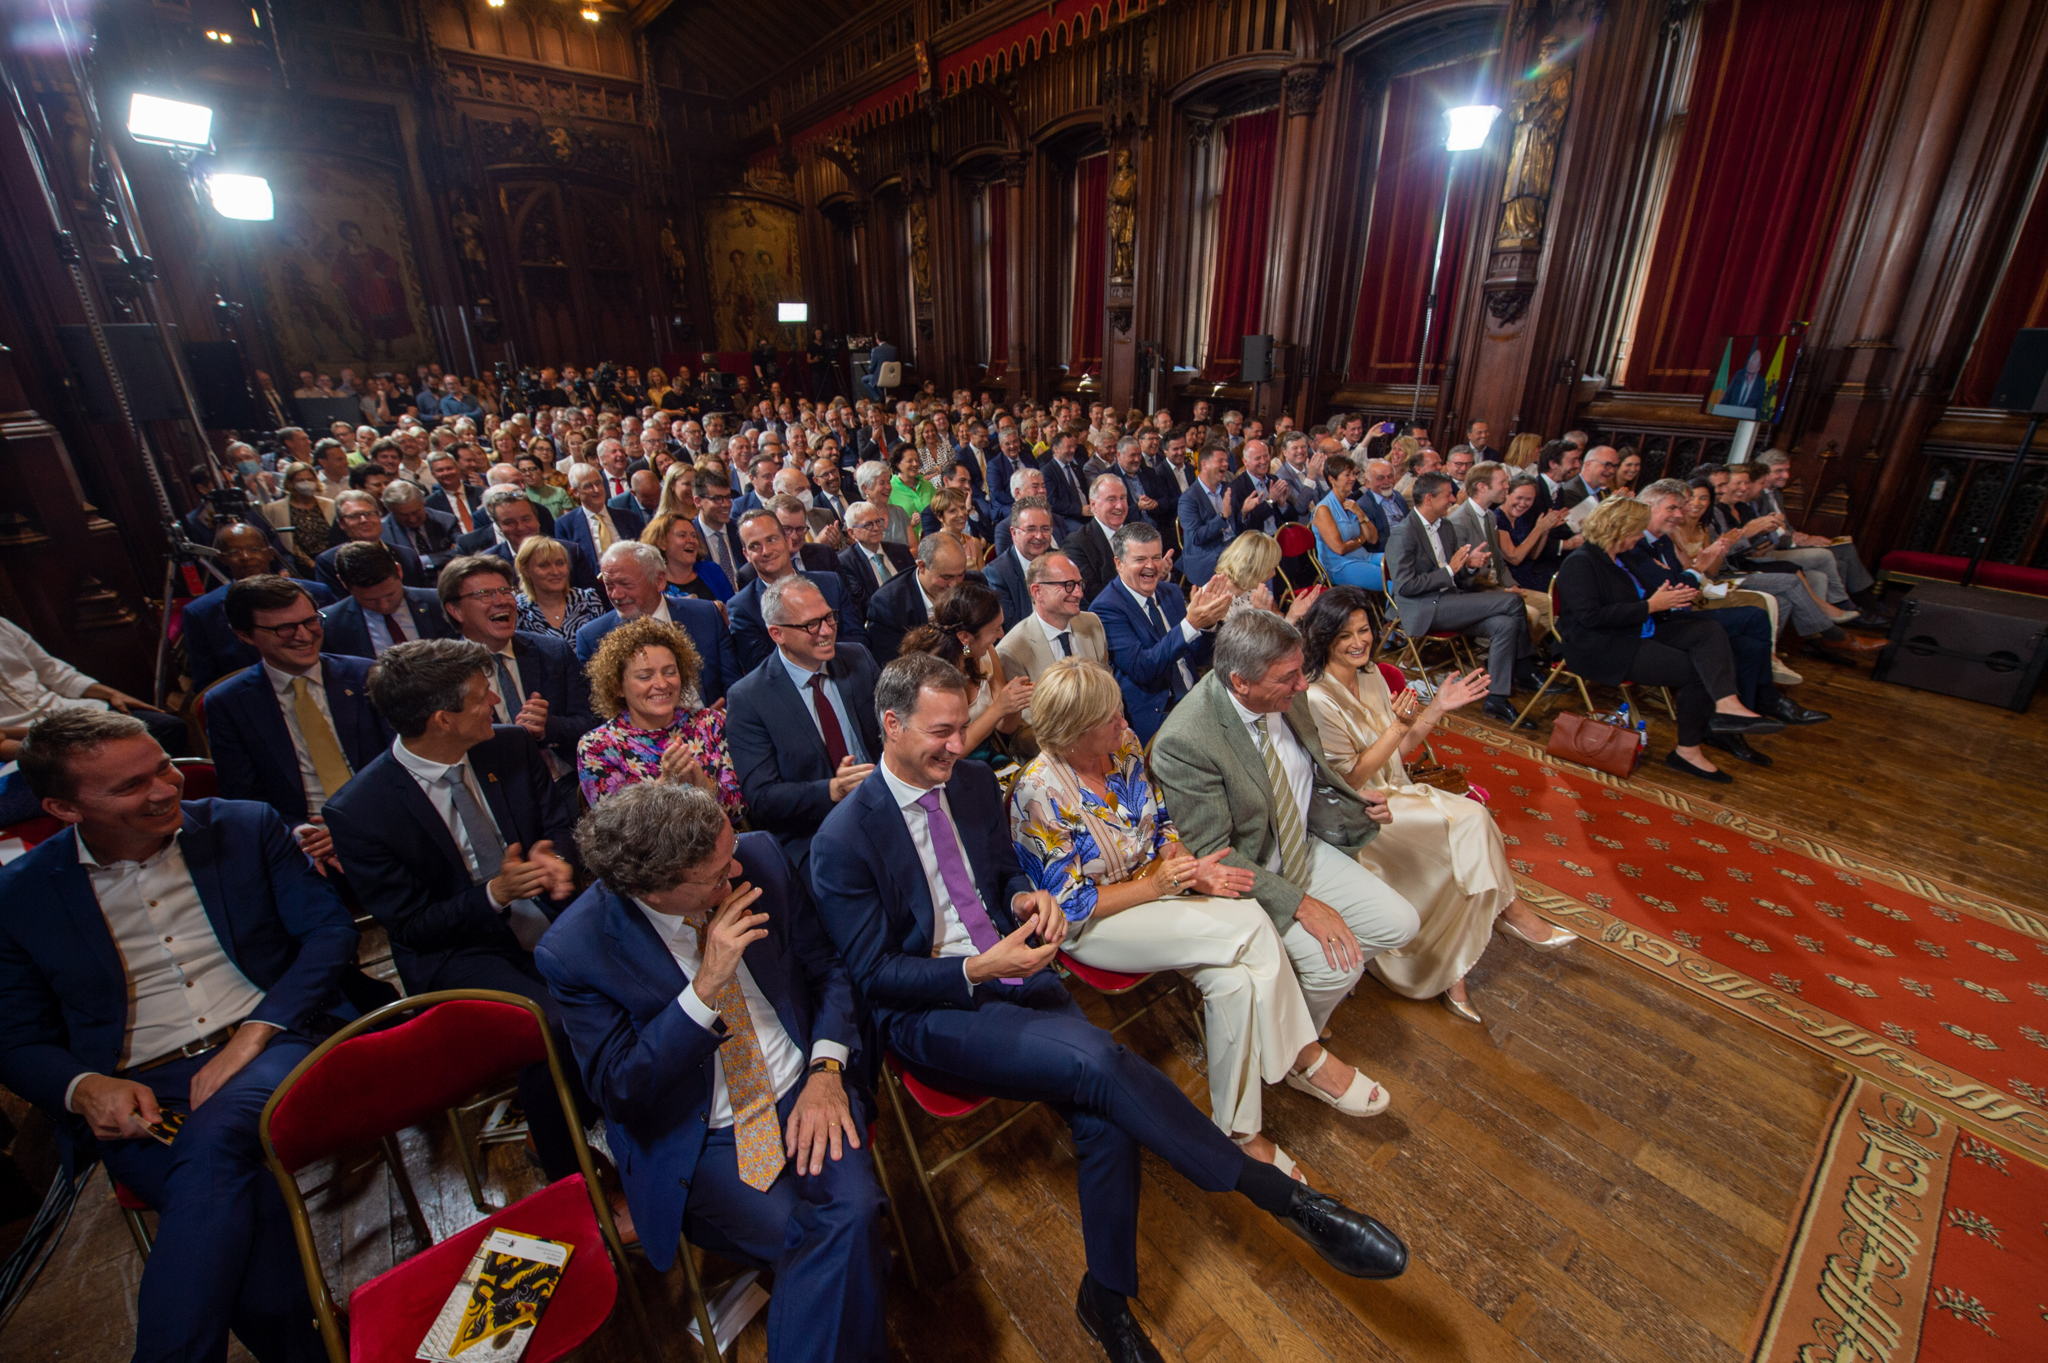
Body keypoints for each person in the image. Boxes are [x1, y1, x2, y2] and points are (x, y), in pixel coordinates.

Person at [810, 654, 1408, 1360]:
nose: (957, 742)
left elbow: (1001, 876)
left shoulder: (970, 785)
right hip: (938, 1009)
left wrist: (1023, 901)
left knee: (1102, 1113)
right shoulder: (842, 838)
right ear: (891, 725)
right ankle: (1280, 1197)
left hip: (1018, 968)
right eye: (941, 730)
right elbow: (874, 975)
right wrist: (977, 965)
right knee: (1098, 1059)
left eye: (961, 726)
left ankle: (1107, 1299)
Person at [0, 709, 357, 1363]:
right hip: (140, 1090)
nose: (167, 788)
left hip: (276, 1045)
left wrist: (255, 1033)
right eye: (131, 786)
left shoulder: (245, 825)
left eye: (162, 765)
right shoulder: (19, 893)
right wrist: (85, 1088)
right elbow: (16, 1039)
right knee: (239, 1210)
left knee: (214, 1136)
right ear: (61, 806)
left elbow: (329, 934)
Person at [534, 783, 887, 1363]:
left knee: (852, 1213)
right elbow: (621, 1089)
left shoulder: (762, 857)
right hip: (703, 1131)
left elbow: (829, 971)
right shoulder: (577, 949)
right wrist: (703, 990)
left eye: (732, 855)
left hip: (804, 1081)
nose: (738, 873)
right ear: (653, 888)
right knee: (829, 1234)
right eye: (717, 875)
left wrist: (826, 1071)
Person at [1012, 657, 1378, 1178]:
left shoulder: (1126, 747)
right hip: (1097, 923)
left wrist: (1186, 865)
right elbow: (1070, 905)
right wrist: (1161, 884)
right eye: (1111, 717)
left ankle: (1237, 1132)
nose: (1125, 722)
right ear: (1072, 733)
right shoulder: (1037, 791)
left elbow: (1162, 824)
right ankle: (1305, 1057)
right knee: (1251, 920)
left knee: (1231, 982)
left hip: (1157, 889)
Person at [321, 639, 586, 1179]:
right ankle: (566, 1165)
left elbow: (561, 824)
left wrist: (552, 855)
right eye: (480, 694)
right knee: (551, 1023)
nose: (495, 699)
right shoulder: (360, 810)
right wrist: (495, 894)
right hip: (459, 949)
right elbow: (414, 927)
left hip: (550, 912)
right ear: (443, 718)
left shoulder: (508, 747)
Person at [1149, 603, 1418, 1071]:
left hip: (1301, 849)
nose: (1302, 685)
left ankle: (1291, 1013)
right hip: (1250, 876)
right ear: (1240, 682)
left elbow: (1307, 775)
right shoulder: (1187, 741)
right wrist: (1300, 903)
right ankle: (1292, 1054)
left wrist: (1360, 800)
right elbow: (1217, 858)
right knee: (1340, 967)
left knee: (1400, 924)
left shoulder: (1289, 697)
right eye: (1288, 677)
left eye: (1299, 671)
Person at [1299, 589, 1575, 1023]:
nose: (1359, 642)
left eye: (1365, 630)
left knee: (1460, 853)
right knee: (1471, 820)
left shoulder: (1370, 676)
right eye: (1346, 634)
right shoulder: (1317, 697)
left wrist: (1437, 709)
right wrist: (1397, 727)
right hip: (1363, 811)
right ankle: (1511, 909)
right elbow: (1350, 778)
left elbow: (1402, 748)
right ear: (1324, 638)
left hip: (1400, 793)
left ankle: (1455, 969)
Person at [1557, 500, 1784, 783]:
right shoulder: (1581, 562)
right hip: (1601, 646)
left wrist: (1665, 597)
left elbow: (1638, 596)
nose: (1642, 537)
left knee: (1710, 630)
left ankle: (1727, 703)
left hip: (1635, 628)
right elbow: (1590, 618)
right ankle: (1688, 751)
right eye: (1637, 531)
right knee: (1695, 671)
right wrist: (1651, 605)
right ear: (1620, 530)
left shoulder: (1620, 557)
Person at [203, 575, 391, 873]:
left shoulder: (365, 675)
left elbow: (402, 761)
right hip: (307, 841)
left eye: (311, 621)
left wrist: (359, 825)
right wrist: (299, 833)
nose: (304, 636)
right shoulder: (229, 703)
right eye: (284, 628)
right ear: (245, 635)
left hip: (384, 819)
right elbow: (245, 798)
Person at [724, 577, 879, 876]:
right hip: (816, 833)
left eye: (828, 617)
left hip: (882, 805)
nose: (826, 631)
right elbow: (762, 798)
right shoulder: (749, 698)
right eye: (811, 625)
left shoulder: (857, 658)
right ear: (777, 633)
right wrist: (831, 790)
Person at [1385, 473, 1539, 725]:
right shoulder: (1403, 533)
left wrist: (1468, 567)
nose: (1453, 499)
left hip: (1452, 601)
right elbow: (1406, 587)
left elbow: (1459, 579)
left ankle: (1496, 700)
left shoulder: (1445, 527)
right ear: (1429, 498)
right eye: (1448, 495)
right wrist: (1449, 570)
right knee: (1511, 602)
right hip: (1425, 607)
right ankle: (1524, 666)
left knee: (1506, 624)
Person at [438, 556, 595, 777]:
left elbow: (591, 721)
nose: (501, 601)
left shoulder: (552, 651)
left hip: (566, 780)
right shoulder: (447, 674)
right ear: (456, 610)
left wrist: (547, 727)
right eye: (485, 594)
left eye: (505, 590)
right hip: (501, 788)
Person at [577, 614, 741, 819]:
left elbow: (739, 811)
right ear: (617, 686)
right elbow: (614, 831)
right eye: (645, 676)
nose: (662, 684)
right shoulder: (598, 746)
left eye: (670, 672)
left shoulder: (710, 723)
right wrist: (665, 783)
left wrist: (704, 785)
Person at [1094, 521, 1234, 742]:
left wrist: (1208, 624)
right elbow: (1143, 668)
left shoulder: (1171, 593)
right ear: (1119, 564)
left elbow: (1199, 657)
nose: (1151, 566)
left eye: (1156, 557)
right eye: (1140, 559)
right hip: (1159, 717)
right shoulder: (1107, 607)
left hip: (1197, 699)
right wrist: (1191, 624)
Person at [181, 523, 337, 690]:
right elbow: (206, 680)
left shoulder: (317, 593)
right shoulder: (202, 612)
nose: (246, 557)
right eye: (235, 552)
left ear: (270, 553)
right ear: (222, 558)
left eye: (254, 549)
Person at [577, 541, 736, 702]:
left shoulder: (706, 615)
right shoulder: (593, 638)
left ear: (659, 580)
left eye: (626, 584)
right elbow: (601, 709)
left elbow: (733, 685)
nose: (616, 595)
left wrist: (719, 718)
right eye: (609, 585)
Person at [897, 582, 1032, 760]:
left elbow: (1005, 727)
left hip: (993, 754)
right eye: (995, 629)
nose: (1001, 635)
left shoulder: (987, 652)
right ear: (965, 637)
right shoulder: (930, 676)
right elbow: (947, 751)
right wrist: (998, 708)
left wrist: (1014, 703)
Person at [728, 508, 866, 670]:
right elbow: (761, 666)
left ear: (787, 541)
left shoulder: (830, 583)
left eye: (772, 539)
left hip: (845, 673)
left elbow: (856, 638)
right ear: (746, 554)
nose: (766, 551)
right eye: (755, 546)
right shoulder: (742, 607)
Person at [996, 550, 1108, 695]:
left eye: (1080, 584)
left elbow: (1108, 686)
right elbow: (1027, 714)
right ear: (1037, 591)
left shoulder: (1092, 623)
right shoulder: (1013, 651)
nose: (1079, 593)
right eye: (1069, 585)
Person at [317, 541, 454, 658]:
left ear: (399, 571)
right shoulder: (330, 625)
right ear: (344, 583)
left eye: (390, 595)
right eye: (370, 600)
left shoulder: (440, 602)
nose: (384, 606)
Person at [861, 529, 969, 664]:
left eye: (961, 575)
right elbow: (892, 667)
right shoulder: (888, 604)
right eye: (946, 577)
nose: (954, 585)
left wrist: (966, 656)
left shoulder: (971, 586)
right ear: (922, 566)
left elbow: (971, 643)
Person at [312, 490, 429, 591]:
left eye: (369, 514)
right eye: (354, 516)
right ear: (342, 524)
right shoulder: (329, 561)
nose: (364, 520)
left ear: (379, 516)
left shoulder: (407, 555)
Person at [512, 534, 608, 643]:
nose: (555, 572)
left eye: (560, 563)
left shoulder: (589, 599)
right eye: (544, 565)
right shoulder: (518, 610)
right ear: (525, 570)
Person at [1310, 453, 1384, 590]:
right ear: (1332, 479)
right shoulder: (1323, 509)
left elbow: (1373, 539)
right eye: (1347, 475)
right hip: (1341, 566)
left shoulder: (1352, 504)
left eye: (1354, 474)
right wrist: (1361, 540)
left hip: (1365, 557)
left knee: (1402, 566)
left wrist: (1360, 514)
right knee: (1392, 580)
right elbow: (1340, 549)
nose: (1353, 479)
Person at [836, 499, 916, 623]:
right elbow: (862, 604)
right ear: (852, 533)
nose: (876, 528)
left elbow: (915, 586)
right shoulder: (845, 562)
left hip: (913, 614)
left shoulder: (901, 551)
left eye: (878, 522)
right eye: (868, 525)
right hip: (879, 622)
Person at [983, 494, 1054, 629]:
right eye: (1031, 529)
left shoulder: (1060, 562)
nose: (1039, 536)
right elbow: (1009, 627)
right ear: (1014, 533)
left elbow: (1079, 606)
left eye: (1045, 529)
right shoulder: (997, 574)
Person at [1062, 474, 1133, 604]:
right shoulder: (1077, 543)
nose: (1119, 506)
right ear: (1093, 505)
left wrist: (1161, 574)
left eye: (1123, 498)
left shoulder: (1137, 534)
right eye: (1111, 499)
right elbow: (1094, 594)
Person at [1175, 445, 1237, 586]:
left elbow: (1237, 525)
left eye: (1226, 461)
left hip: (1233, 547)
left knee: (1260, 554)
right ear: (1204, 464)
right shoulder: (1188, 499)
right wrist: (1222, 517)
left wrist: (1244, 511)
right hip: (1205, 554)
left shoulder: (1228, 488)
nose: (1226, 464)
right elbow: (1196, 537)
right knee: (1247, 562)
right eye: (1220, 461)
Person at [642, 510, 734, 604]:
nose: (691, 540)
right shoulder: (650, 581)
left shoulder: (712, 571)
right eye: (682, 535)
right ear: (662, 542)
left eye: (694, 536)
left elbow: (732, 610)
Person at [261, 461, 337, 574]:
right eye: (300, 480)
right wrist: (311, 563)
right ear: (291, 483)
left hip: (331, 561)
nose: (306, 483)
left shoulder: (330, 505)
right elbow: (281, 543)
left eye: (310, 479)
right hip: (297, 566)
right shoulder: (273, 509)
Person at [379, 479, 461, 572]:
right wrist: (443, 556)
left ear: (423, 502)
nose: (412, 519)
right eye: (404, 515)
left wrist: (426, 560)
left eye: (416, 512)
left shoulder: (445, 520)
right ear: (391, 511)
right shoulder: (382, 532)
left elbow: (463, 550)